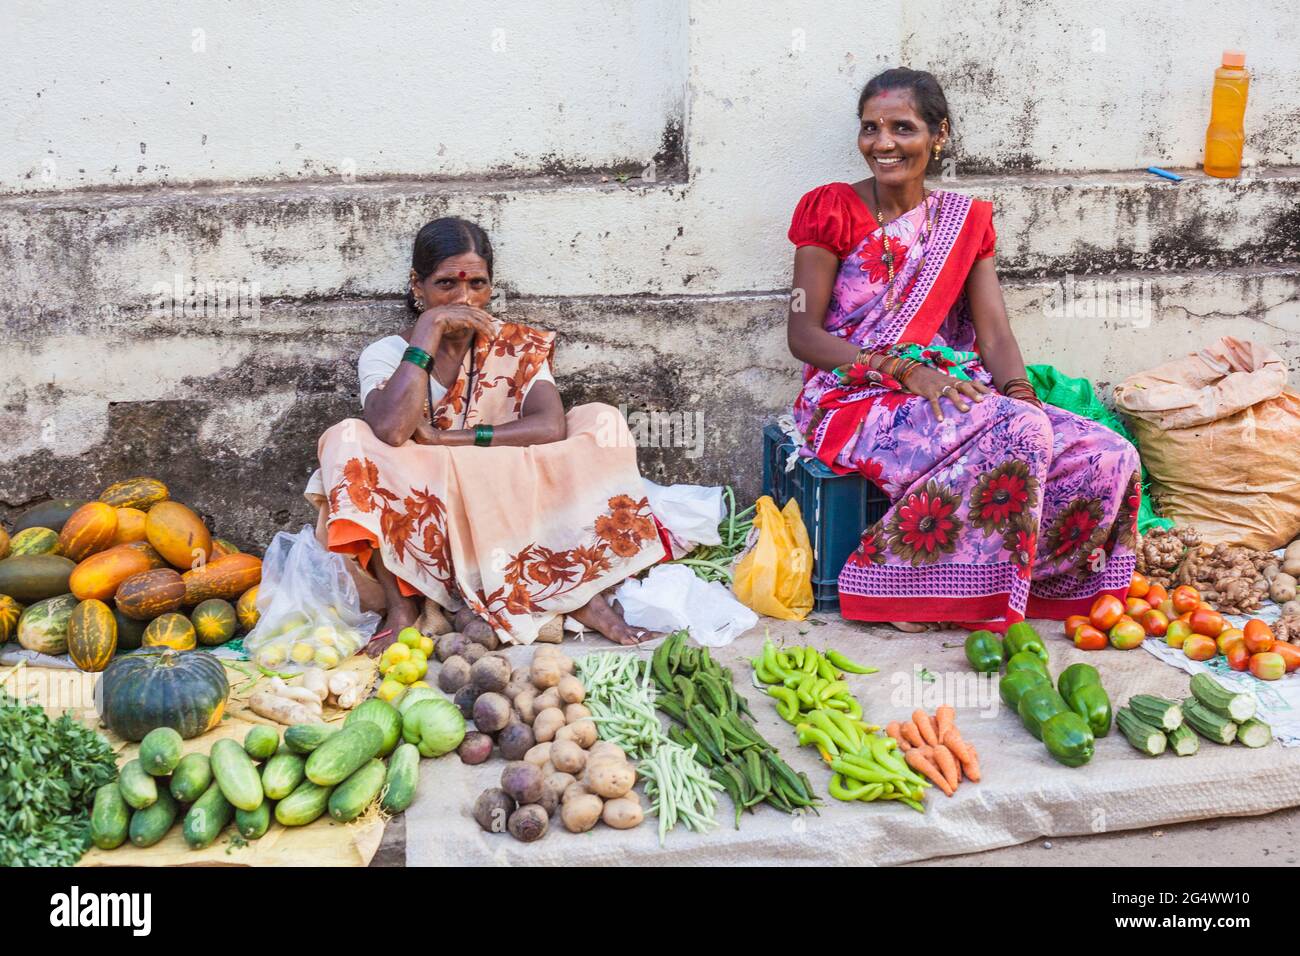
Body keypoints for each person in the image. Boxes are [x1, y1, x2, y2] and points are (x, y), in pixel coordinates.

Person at [785, 67, 1140, 631]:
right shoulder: (830, 209)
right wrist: (904, 372)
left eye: (902, 127)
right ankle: (903, 588)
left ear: (938, 134)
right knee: (1017, 432)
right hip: (852, 395)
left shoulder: (965, 221)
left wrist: (1022, 394)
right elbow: (802, 334)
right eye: (870, 128)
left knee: (1108, 451)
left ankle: (1037, 583)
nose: (882, 143)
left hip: (948, 385)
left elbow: (994, 334)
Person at [306, 217, 665, 650]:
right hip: (429, 495)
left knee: (602, 421)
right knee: (348, 437)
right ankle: (401, 605)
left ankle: (577, 592)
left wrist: (447, 440)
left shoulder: (515, 345)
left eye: (478, 284)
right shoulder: (386, 354)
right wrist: (428, 332)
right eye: (446, 285)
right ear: (417, 286)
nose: (464, 299)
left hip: (505, 479)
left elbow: (550, 426)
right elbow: (389, 429)